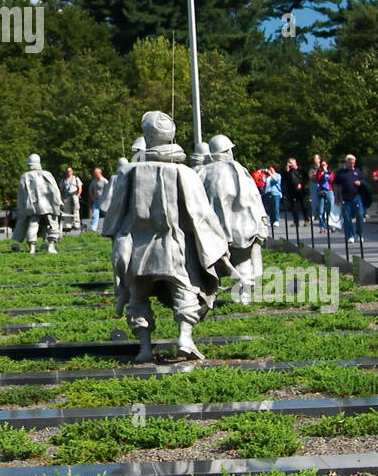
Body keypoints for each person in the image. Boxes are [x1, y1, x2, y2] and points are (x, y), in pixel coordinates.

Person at [102, 111, 233, 363]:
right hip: (174, 249)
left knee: (137, 297)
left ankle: (145, 348)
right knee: (184, 291)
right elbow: (203, 216)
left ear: (147, 136)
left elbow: (113, 218)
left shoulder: (129, 173)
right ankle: (185, 337)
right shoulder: (184, 173)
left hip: (136, 249)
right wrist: (219, 249)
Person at [200, 134, 269, 306]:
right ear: (227, 150)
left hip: (211, 231)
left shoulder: (202, 172)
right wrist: (261, 222)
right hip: (241, 227)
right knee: (243, 263)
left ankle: (208, 298)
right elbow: (252, 198)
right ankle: (242, 297)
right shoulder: (237, 169)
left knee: (210, 267)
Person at [11, 154, 62, 254]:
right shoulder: (47, 174)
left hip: (33, 207)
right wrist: (58, 203)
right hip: (48, 206)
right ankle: (51, 246)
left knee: (33, 224)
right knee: (52, 225)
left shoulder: (25, 176)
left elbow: (21, 195)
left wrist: (22, 208)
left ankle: (32, 247)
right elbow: (55, 190)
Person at [334, 153, 366, 243]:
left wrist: (360, 182)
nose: (352, 164)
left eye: (353, 163)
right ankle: (350, 235)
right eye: (350, 162)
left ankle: (359, 234)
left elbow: (363, 181)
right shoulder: (341, 172)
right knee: (347, 218)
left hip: (357, 197)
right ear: (346, 162)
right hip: (345, 197)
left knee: (360, 215)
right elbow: (336, 185)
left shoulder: (357, 171)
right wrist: (336, 198)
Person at [281, 158, 309, 227]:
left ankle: (306, 219)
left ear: (295, 163)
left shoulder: (301, 170)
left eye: (291, 163)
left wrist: (301, 184)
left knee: (303, 205)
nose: (290, 164)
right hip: (292, 191)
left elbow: (306, 178)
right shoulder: (288, 172)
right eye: (289, 163)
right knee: (294, 207)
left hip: (300, 191)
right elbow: (285, 180)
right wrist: (287, 171)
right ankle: (296, 221)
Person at [60, 166, 84, 232]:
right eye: (67, 171)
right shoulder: (63, 180)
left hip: (74, 195)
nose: (69, 172)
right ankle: (68, 224)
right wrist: (61, 197)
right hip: (66, 196)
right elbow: (61, 189)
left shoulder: (76, 179)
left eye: (70, 171)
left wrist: (78, 195)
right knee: (66, 210)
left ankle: (76, 224)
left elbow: (80, 187)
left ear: (72, 171)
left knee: (76, 209)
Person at [88, 166, 109, 231]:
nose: (95, 174)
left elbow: (109, 190)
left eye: (96, 172)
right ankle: (93, 228)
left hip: (104, 200)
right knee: (95, 214)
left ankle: (108, 227)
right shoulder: (94, 181)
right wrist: (93, 198)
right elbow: (90, 190)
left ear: (100, 173)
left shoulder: (105, 181)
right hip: (96, 200)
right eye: (94, 172)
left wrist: (106, 199)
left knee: (107, 214)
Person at [308, 152, 322, 222]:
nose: (315, 160)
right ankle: (313, 214)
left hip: (321, 184)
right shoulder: (312, 167)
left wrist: (316, 175)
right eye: (314, 158)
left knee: (321, 200)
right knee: (314, 200)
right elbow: (310, 176)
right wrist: (316, 176)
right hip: (313, 184)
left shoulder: (322, 167)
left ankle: (321, 214)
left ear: (319, 159)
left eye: (316, 158)